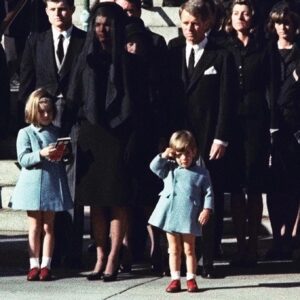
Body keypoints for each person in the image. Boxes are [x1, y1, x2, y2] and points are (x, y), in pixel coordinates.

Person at [62, 1, 147, 282]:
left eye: (107, 25)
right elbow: (73, 98)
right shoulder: (84, 58)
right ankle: (99, 256)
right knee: (95, 203)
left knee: (118, 201)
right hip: (90, 136)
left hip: (119, 137)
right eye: (97, 25)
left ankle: (114, 256)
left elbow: (139, 105)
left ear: (117, 27)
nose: (102, 30)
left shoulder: (132, 62)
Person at [168, 0, 234, 278]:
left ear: (207, 23)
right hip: (179, 140)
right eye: (185, 23)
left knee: (208, 198)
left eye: (195, 23)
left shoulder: (221, 55)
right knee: (179, 199)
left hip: (208, 138)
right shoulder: (172, 51)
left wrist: (221, 137)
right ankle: (177, 261)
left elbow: (226, 100)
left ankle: (207, 260)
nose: (190, 28)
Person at [18, 0, 86, 267]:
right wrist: (29, 120)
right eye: (53, 9)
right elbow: (26, 81)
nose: (59, 14)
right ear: (46, 12)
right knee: (46, 185)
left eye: (64, 8)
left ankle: (70, 250)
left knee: (69, 187)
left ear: (72, 10)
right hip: (43, 120)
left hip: (73, 120)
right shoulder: (36, 40)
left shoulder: (83, 39)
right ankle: (49, 256)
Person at [223, 0, 270, 267]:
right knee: (236, 188)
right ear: (230, 17)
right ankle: (240, 245)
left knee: (253, 186)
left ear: (253, 17)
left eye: (246, 13)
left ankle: (253, 245)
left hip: (256, 123)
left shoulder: (263, 48)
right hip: (231, 124)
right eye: (237, 13)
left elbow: (271, 86)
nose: (241, 17)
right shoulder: (224, 47)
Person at [10, 88, 73, 281]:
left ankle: (46, 264)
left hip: (52, 183)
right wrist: (41, 153)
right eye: (42, 111)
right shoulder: (25, 132)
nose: (46, 115)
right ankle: (33, 264)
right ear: (33, 111)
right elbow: (23, 158)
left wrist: (64, 155)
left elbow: (66, 157)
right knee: (34, 226)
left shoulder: (56, 132)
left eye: (49, 112)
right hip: (32, 184)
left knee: (49, 226)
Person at [148, 130, 214, 293]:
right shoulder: (169, 169)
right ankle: (175, 279)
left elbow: (209, 192)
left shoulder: (201, 173)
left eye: (187, 154)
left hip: (189, 215)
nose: (183, 158)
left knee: (189, 248)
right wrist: (164, 155)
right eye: (179, 155)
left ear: (194, 152)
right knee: (173, 249)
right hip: (170, 214)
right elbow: (153, 167)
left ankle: (191, 278)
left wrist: (207, 209)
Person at [266, 1, 300, 260]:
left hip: (296, 128)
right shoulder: (267, 52)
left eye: (287, 22)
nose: (283, 27)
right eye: (279, 22)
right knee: (274, 187)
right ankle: (277, 238)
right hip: (270, 127)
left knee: (294, 185)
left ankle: (292, 236)